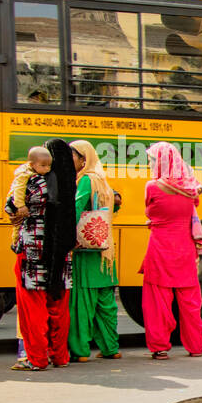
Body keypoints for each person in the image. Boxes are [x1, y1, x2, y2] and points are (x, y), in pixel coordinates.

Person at [4, 139, 76, 371]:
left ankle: (36, 358)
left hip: (34, 252)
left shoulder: (33, 182)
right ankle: (60, 356)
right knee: (59, 306)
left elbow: (10, 208)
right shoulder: (69, 186)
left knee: (33, 308)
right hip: (62, 254)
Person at [140, 141, 202, 359]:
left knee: (158, 299)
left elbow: (150, 212)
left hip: (160, 247)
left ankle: (160, 347)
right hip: (185, 247)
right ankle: (196, 347)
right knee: (189, 299)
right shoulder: (191, 189)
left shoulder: (152, 186)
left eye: (152, 160)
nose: (150, 164)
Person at [67, 140, 123, 361]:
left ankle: (80, 351)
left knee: (83, 303)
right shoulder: (103, 180)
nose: (70, 160)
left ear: (83, 159)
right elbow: (115, 205)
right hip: (105, 251)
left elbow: (76, 208)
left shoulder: (85, 181)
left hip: (87, 251)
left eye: (73, 156)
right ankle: (111, 348)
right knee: (106, 303)